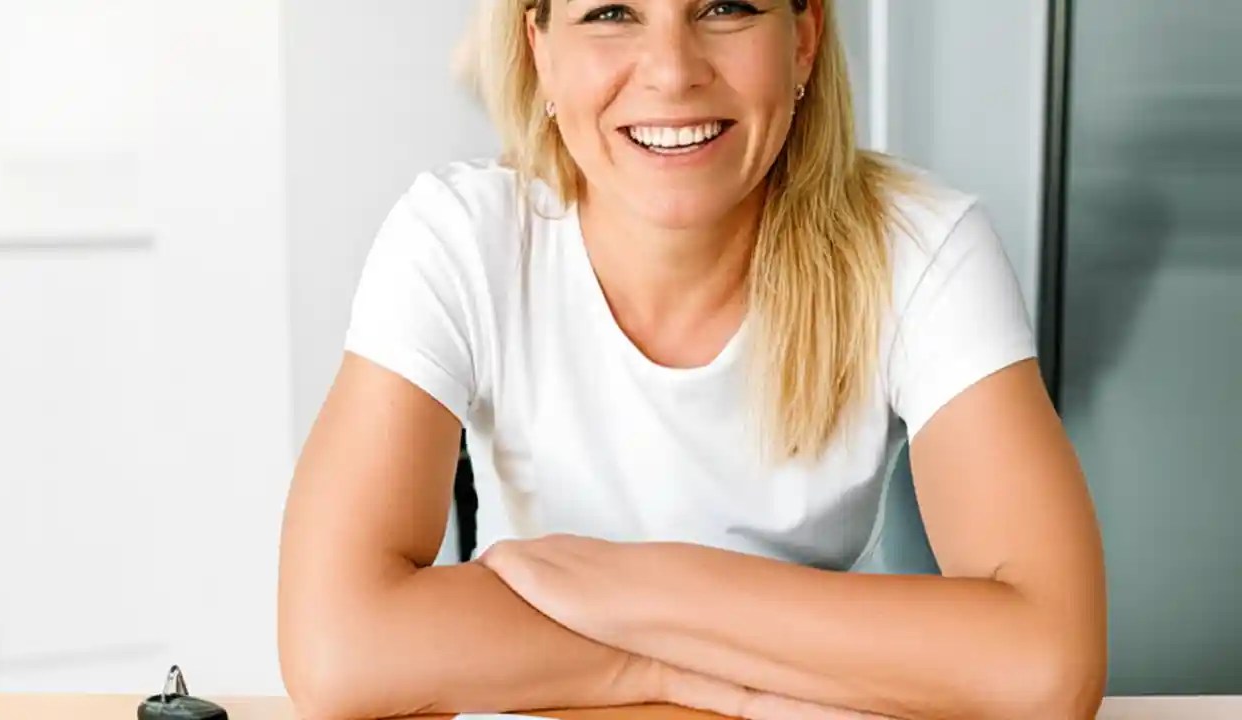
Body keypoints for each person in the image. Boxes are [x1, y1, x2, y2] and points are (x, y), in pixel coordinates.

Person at [278, 1, 1108, 718]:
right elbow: (337, 651)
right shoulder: (459, 240)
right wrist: (674, 663)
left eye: (726, 7)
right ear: (541, 52)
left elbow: (1044, 669)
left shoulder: (924, 251)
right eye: (611, 13)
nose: (672, 72)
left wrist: (628, 590)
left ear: (805, 37)